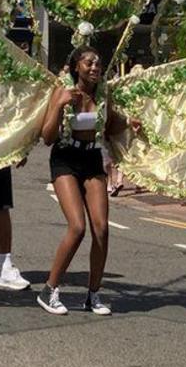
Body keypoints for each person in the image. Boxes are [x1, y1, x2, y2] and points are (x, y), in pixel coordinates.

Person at [38, 46, 139, 316]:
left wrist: (130, 122)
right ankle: (49, 290)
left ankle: (93, 294)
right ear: (75, 67)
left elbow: (109, 123)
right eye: (89, 63)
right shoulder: (63, 92)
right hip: (65, 160)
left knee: (102, 229)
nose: (95, 67)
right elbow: (47, 137)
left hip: (92, 160)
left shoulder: (102, 94)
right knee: (78, 227)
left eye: (98, 63)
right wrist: (59, 106)